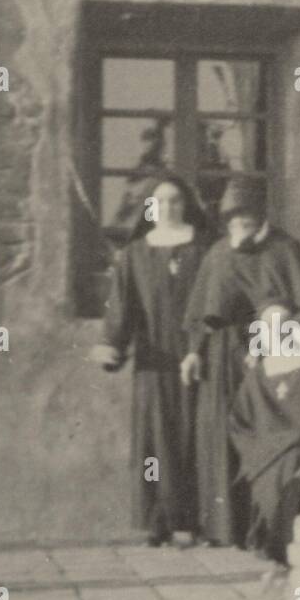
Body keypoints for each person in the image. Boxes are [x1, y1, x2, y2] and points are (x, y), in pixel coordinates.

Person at [181, 175, 300, 546]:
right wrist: (193, 352)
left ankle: (263, 526)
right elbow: (201, 313)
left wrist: (281, 327)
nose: (240, 226)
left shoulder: (286, 249)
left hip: (275, 355)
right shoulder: (218, 253)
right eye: (233, 219)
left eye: (246, 218)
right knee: (222, 432)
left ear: (260, 216)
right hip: (223, 358)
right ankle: (224, 527)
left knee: (264, 433)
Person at [93, 174, 210, 544]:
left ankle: (195, 522)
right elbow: (121, 310)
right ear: (149, 208)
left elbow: (218, 301)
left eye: (175, 200)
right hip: (153, 359)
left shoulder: (205, 249)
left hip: (197, 353)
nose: (168, 208)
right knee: (156, 439)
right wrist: (113, 345)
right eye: (159, 202)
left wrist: (204, 347)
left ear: (186, 204)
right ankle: (159, 522)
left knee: (196, 434)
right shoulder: (134, 255)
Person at [228, 299, 300, 564]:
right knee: (279, 472)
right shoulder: (257, 375)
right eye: (270, 328)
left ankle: (286, 543)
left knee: (296, 465)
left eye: (283, 326)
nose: (277, 333)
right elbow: (239, 422)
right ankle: (272, 538)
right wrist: (258, 451)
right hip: (265, 453)